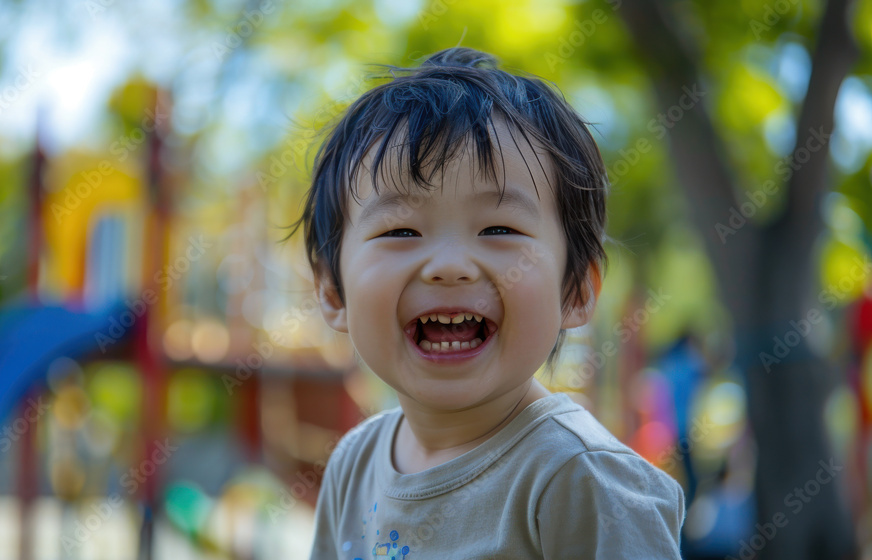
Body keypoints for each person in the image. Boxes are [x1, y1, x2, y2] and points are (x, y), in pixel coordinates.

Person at [287, 46, 685, 559]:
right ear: (331, 290)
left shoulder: (581, 479)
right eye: (401, 230)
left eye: (500, 228)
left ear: (576, 290)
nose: (449, 264)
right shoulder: (353, 465)